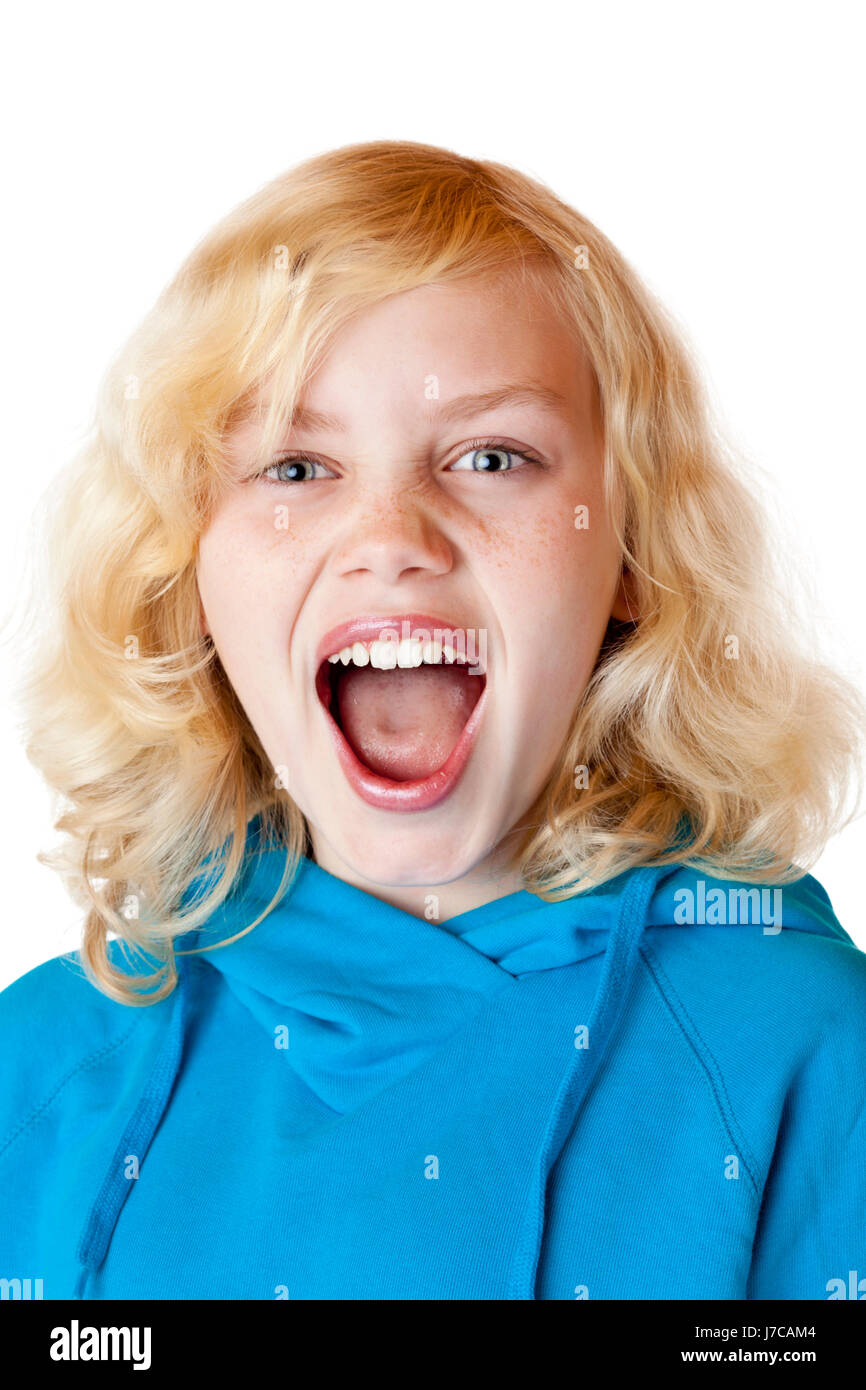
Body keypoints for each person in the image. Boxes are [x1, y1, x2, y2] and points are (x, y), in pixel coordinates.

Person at [1, 140, 864, 1301]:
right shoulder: (48, 1068)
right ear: (185, 566)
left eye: (489, 456)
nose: (392, 535)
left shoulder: (795, 1044)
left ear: (629, 553)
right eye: (296, 466)